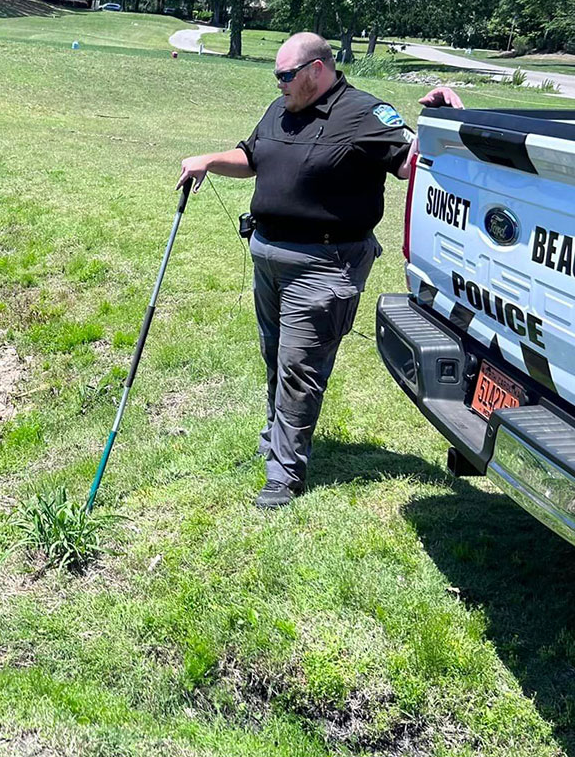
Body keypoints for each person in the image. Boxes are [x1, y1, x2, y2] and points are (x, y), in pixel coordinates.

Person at [176, 32, 463, 509]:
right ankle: (277, 443)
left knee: (299, 368)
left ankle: (284, 474)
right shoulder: (280, 109)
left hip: (324, 266)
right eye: (276, 76)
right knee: (276, 357)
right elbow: (252, 157)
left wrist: (441, 122)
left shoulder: (364, 114)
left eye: (287, 76)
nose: (280, 84)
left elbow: (412, 164)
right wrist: (207, 160)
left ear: (317, 69)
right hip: (269, 256)